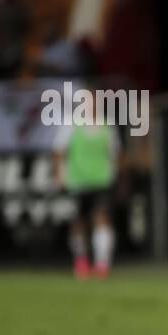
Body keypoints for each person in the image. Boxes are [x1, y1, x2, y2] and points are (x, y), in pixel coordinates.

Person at [52, 97, 119, 279]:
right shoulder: (71, 125)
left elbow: (114, 154)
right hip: (78, 181)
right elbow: (59, 151)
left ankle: (102, 263)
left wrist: (116, 175)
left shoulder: (107, 126)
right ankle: (81, 261)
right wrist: (59, 175)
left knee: (102, 219)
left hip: (101, 181)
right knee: (79, 223)